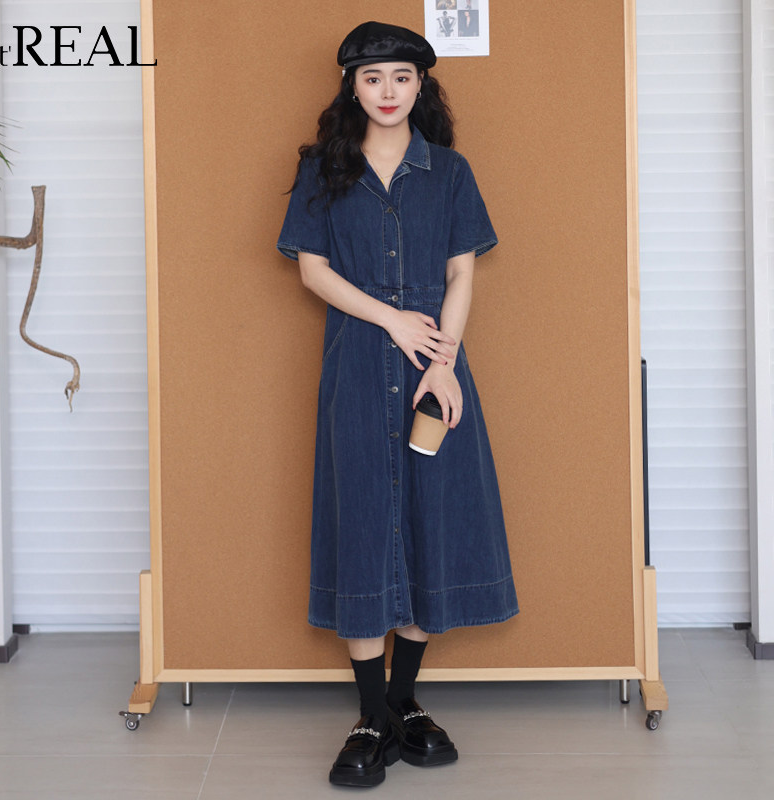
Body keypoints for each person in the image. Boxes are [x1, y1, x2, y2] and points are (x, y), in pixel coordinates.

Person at [277, 20, 518, 788]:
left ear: (421, 85)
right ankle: (371, 714)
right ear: (352, 86)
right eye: (373, 77)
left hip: (433, 374)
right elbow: (312, 270)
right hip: (356, 369)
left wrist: (442, 366)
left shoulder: (448, 172)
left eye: (402, 77)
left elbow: (461, 274)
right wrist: (391, 319)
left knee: (427, 519)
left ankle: (404, 702)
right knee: (361, 524)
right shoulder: (323, 168)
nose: (388, 91)